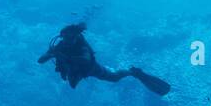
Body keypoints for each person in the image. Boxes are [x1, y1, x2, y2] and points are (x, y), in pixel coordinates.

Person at [37, 23, 170, 95]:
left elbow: (86, 60)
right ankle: (75, 77)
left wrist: (64, 56)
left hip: (91, 69)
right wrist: (50, 54)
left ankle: (132, 72)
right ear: (61, 37)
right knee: (72, 84)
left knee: (114, 78)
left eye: (70, 38)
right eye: (65, 38)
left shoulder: (81, 46)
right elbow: (40, 60)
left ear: (76, 37)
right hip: (75, 70)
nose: (67, 41)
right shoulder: (59, 46)